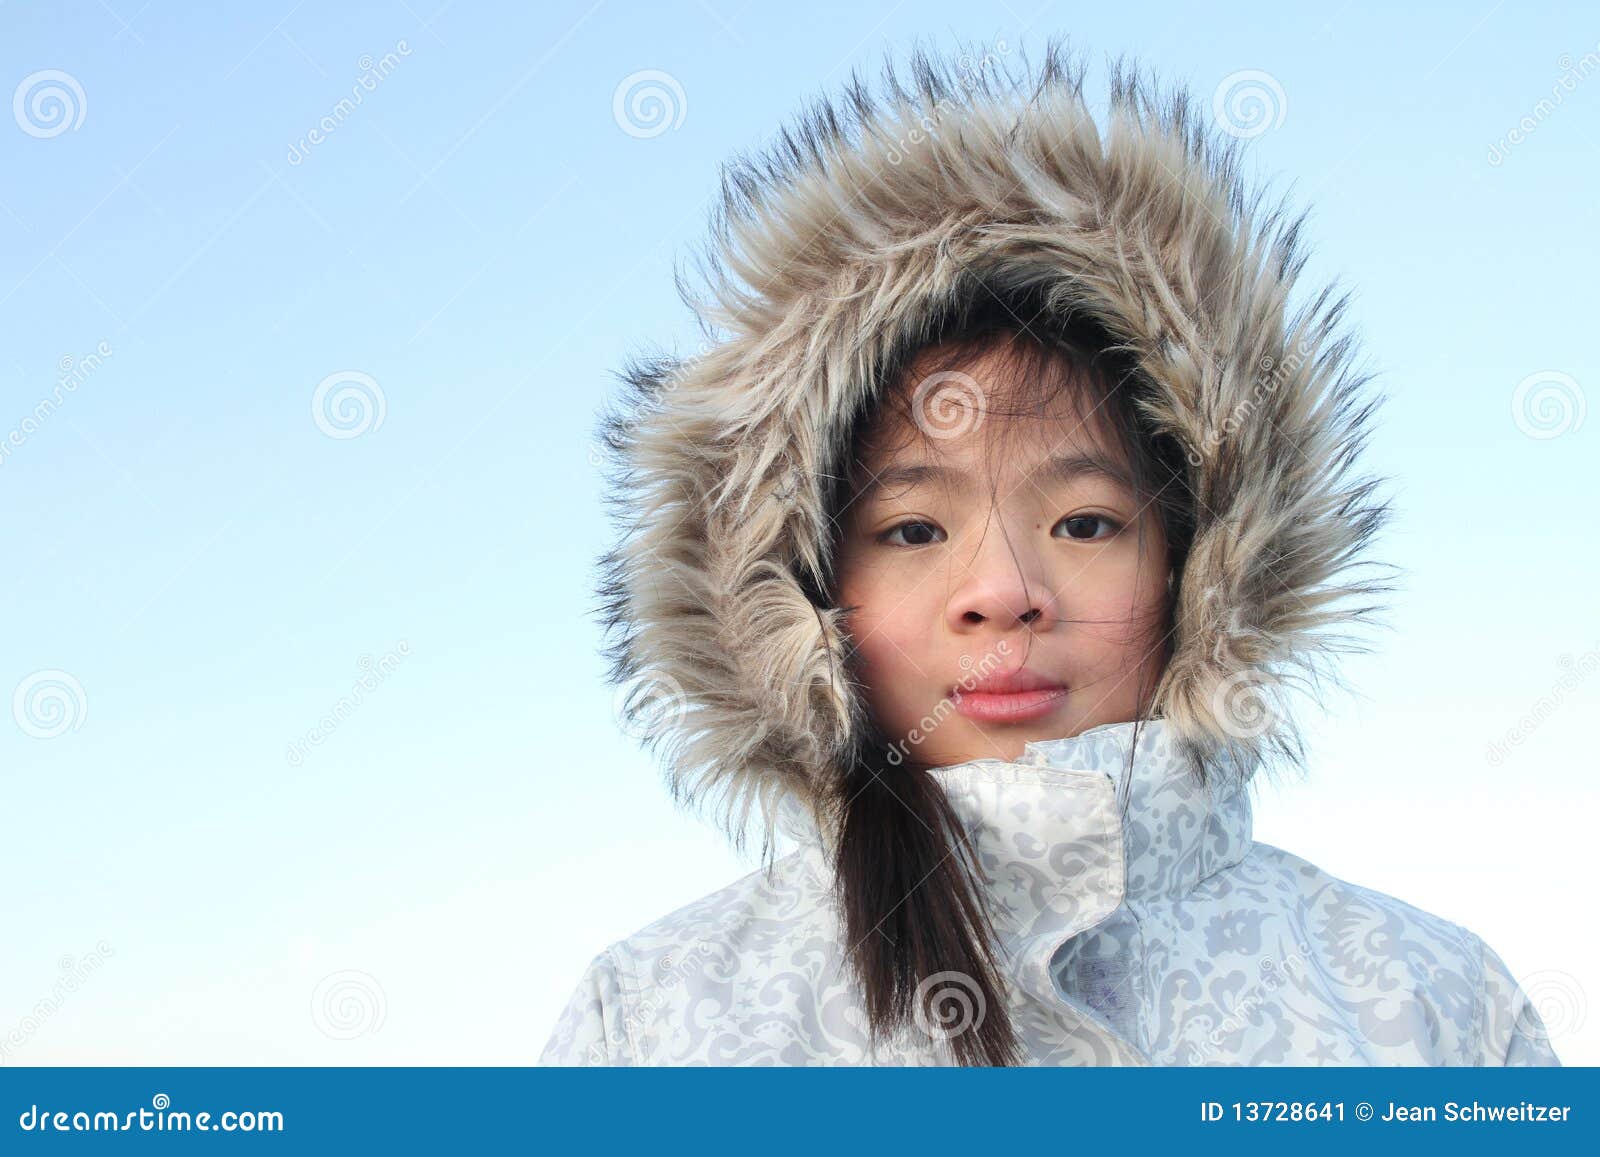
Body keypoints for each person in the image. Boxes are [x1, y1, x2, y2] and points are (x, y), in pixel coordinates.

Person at [539, 41, 1560, 1066]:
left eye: (1083, 522)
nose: (1002, 592)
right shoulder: (654, 1021)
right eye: (912, 531)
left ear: (1198, 568)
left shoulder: (1434, 1008)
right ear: (803, 593)